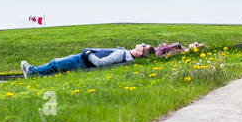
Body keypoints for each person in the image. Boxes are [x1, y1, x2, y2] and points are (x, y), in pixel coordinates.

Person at [20, 43, 153, 78]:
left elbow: (101, 63)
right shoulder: (126, 53)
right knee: (57, 68)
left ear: (140, 52)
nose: (140, 44)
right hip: (83, 60)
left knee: (55, 64)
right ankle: (35, 74)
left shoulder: (121, 54)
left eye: (142, 45)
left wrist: (88, 52)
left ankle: (32, 71)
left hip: (83, 60)